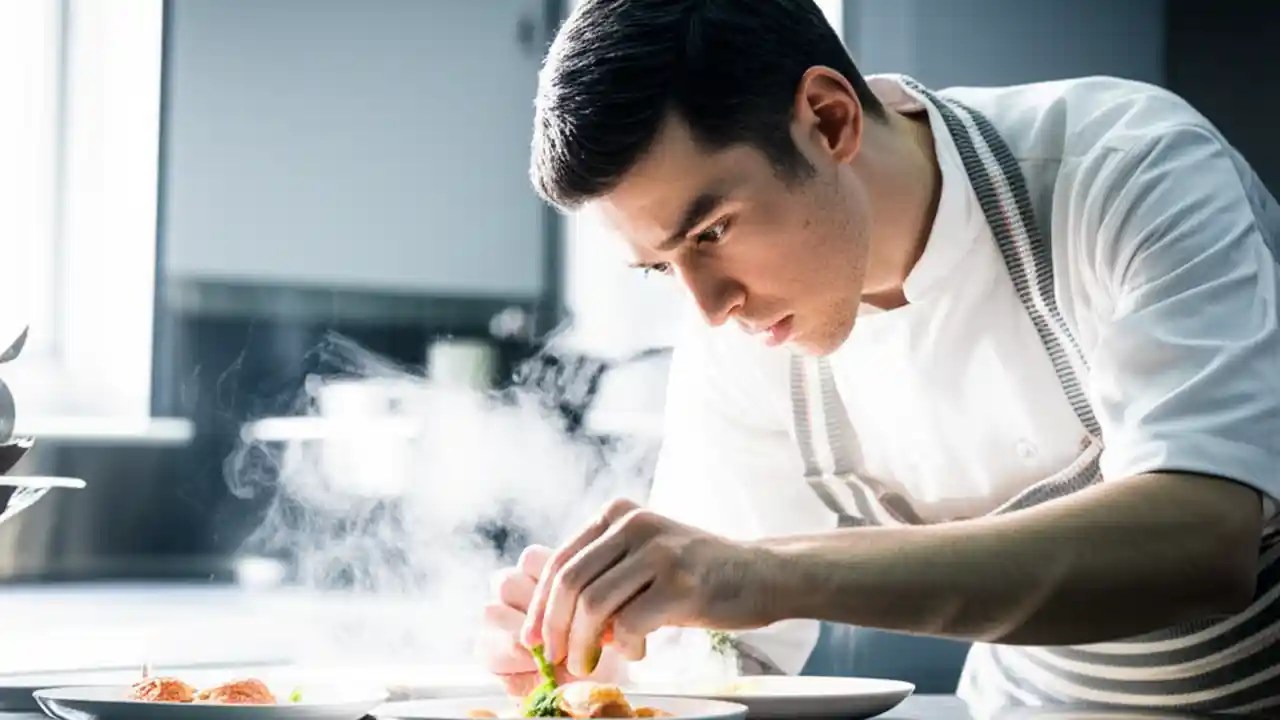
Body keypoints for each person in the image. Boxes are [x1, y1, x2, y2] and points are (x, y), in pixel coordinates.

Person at [478, 0, 1280, 714]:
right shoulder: (743, 336)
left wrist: (761, 576)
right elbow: (723, 651)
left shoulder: (1128, 170)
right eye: (661, 264)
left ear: (828, 120)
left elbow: (1206, 538)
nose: (708, 305)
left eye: (712, 230)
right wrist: (617, 653)